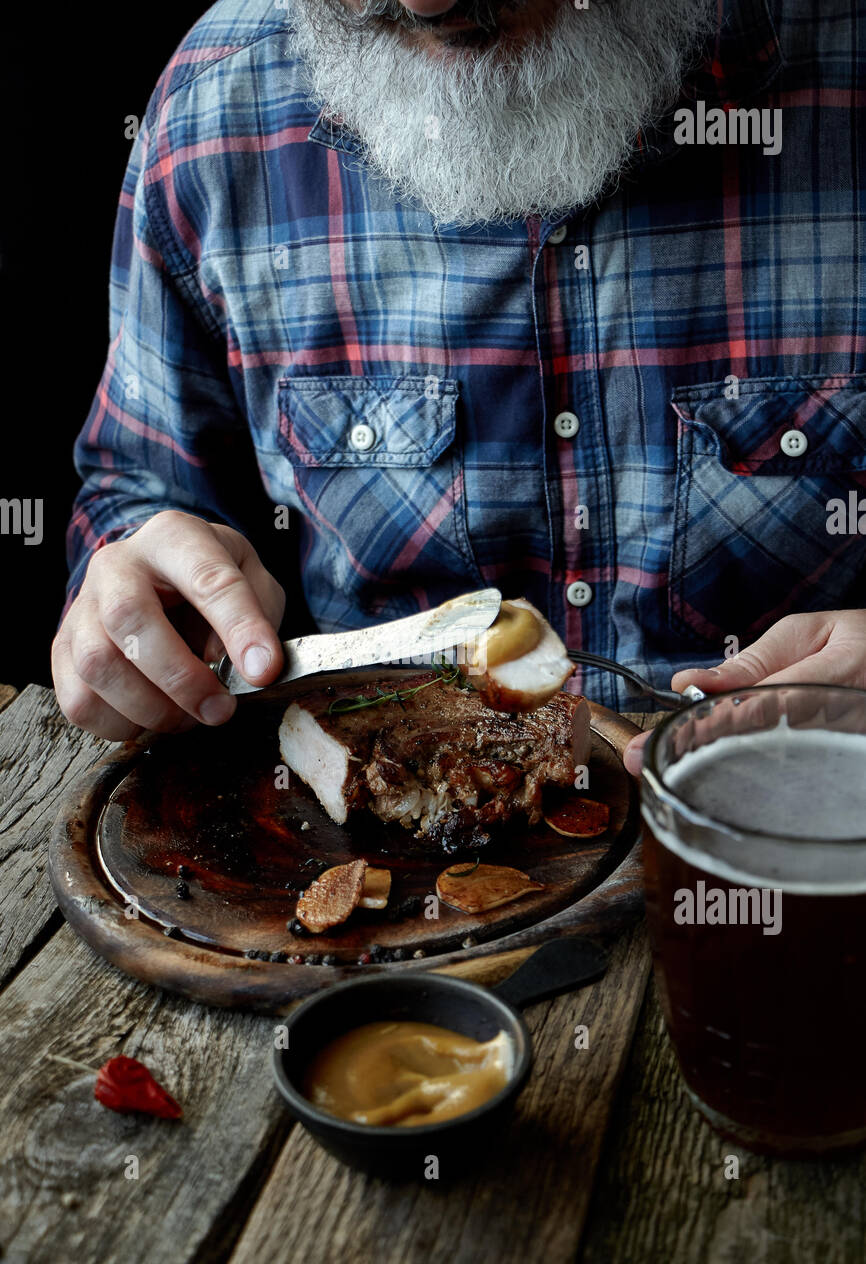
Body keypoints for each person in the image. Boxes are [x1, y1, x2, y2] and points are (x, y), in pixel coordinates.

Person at [53, 0, 866, 775]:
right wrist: (138, 598)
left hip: (800, 837)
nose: (423, 3)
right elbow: (138, 492)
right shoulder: (218, 106)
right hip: (378, 860)